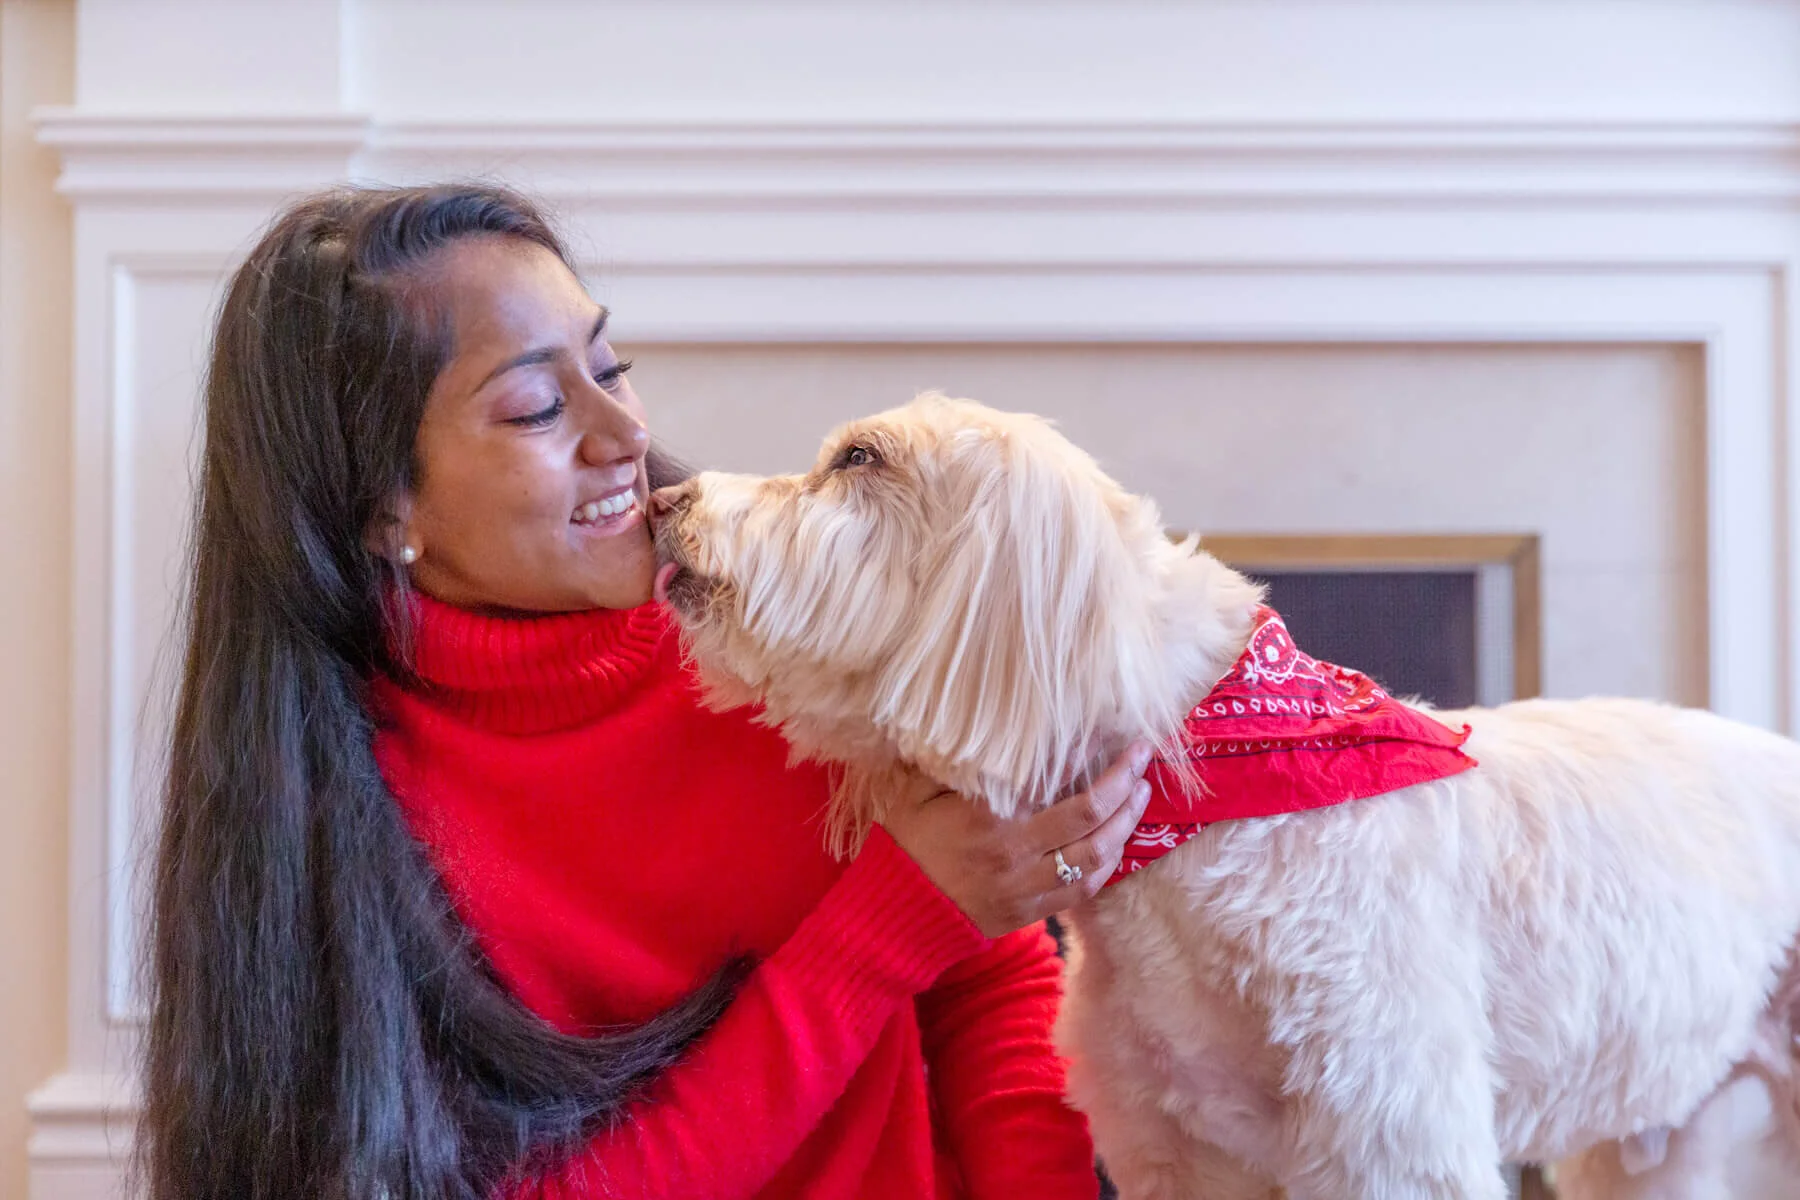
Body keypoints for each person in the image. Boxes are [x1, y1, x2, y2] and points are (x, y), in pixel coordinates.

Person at [140, 183, 1155, 1200]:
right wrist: (889, 925)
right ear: (378, 507)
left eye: (609, 366)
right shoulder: (334, 818)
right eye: (538, 405)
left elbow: (985, 971)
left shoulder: (775, 637)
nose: (622, 430)